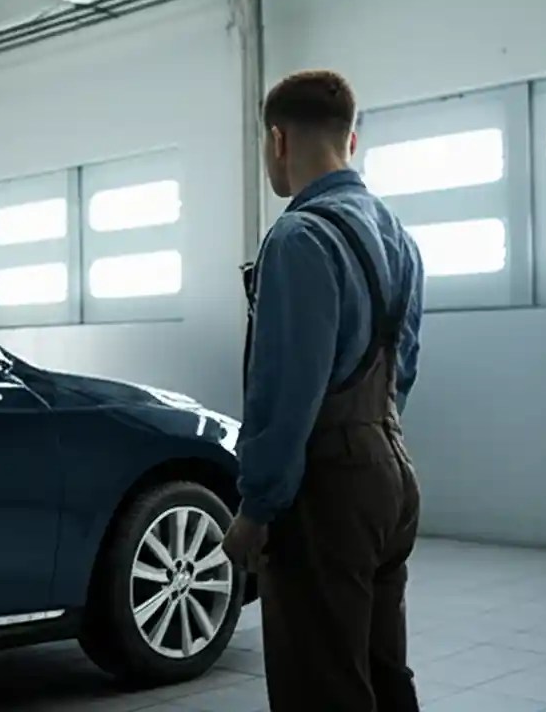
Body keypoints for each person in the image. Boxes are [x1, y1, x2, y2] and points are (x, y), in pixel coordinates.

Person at [221, 70, 425, 711]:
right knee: (382, 671)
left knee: (322, 689)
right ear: (352, 140)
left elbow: (286, 391)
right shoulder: (399, 237)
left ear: (277, 140)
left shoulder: (299, 237)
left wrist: (257, 509)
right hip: (391, 475)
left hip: (327, 487)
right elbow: (404, 370)